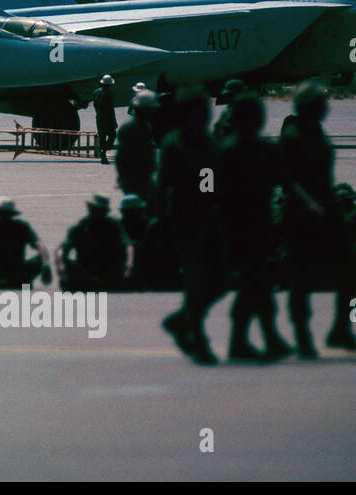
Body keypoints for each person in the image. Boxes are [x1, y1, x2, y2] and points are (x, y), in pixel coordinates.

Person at [279, 81, 356, 355]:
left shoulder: (316, 131)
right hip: (300, 217)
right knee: (300, 279)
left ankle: (343, 328)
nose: (326, 107)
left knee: (351, 274)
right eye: (320, 103)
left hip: (327, 213)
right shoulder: (292, 135)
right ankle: (303, 337)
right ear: (309, 107)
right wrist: (309, 204)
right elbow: (287, 180)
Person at [216, 91, 293, 362]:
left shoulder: (236, 151)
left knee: (257, 284)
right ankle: (256, 340)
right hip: (241, 230)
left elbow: (286, 183)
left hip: (253, 228)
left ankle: (260, 339)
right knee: (255, 283)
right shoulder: (232, 152)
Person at [158, 86, 227, 364]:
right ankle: (198, 338)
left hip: (209, 221)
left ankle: (181, 319)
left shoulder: (207, 143)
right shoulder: (174, 145)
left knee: (220, 282)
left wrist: (215, 205)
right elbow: (164, 188)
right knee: (197, 281)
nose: (206, 116)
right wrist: (165, 225)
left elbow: (210, 182)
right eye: (200, 111)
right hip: (185, 223)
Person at [0, 199, 51, 288]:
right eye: (1, 213)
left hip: (15, 271)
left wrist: (45, 264)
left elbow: (39, 245)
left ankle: (2, 282)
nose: (2, 216)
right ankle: (5, 282)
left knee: (41, 258)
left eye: (4, 213)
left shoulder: (21, 226)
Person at [58, 195, 128, 291]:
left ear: (105, 211)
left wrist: (129, 265)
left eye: (98, 210)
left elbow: (128, 245)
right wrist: (62, 269)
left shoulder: (114, 226)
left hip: (109, 270)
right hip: (86, 272)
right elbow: (63, 249)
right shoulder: (81, 227)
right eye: (93, 209)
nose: (95, 212)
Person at [115, 89, 159, 206]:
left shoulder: (144, 127)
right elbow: (121, 157)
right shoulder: (131, 129)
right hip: (135, 179)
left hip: (142, 177)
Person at [92, 74, 117, 164]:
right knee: (112, 135)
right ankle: (104, 151)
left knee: (102, 136)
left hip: (99, 116)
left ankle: (103, 154)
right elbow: (111, 108)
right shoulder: (109, 93)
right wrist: (114, 121)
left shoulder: (95, 92)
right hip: (107, 116)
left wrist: (98, 113)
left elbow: (94, 104)